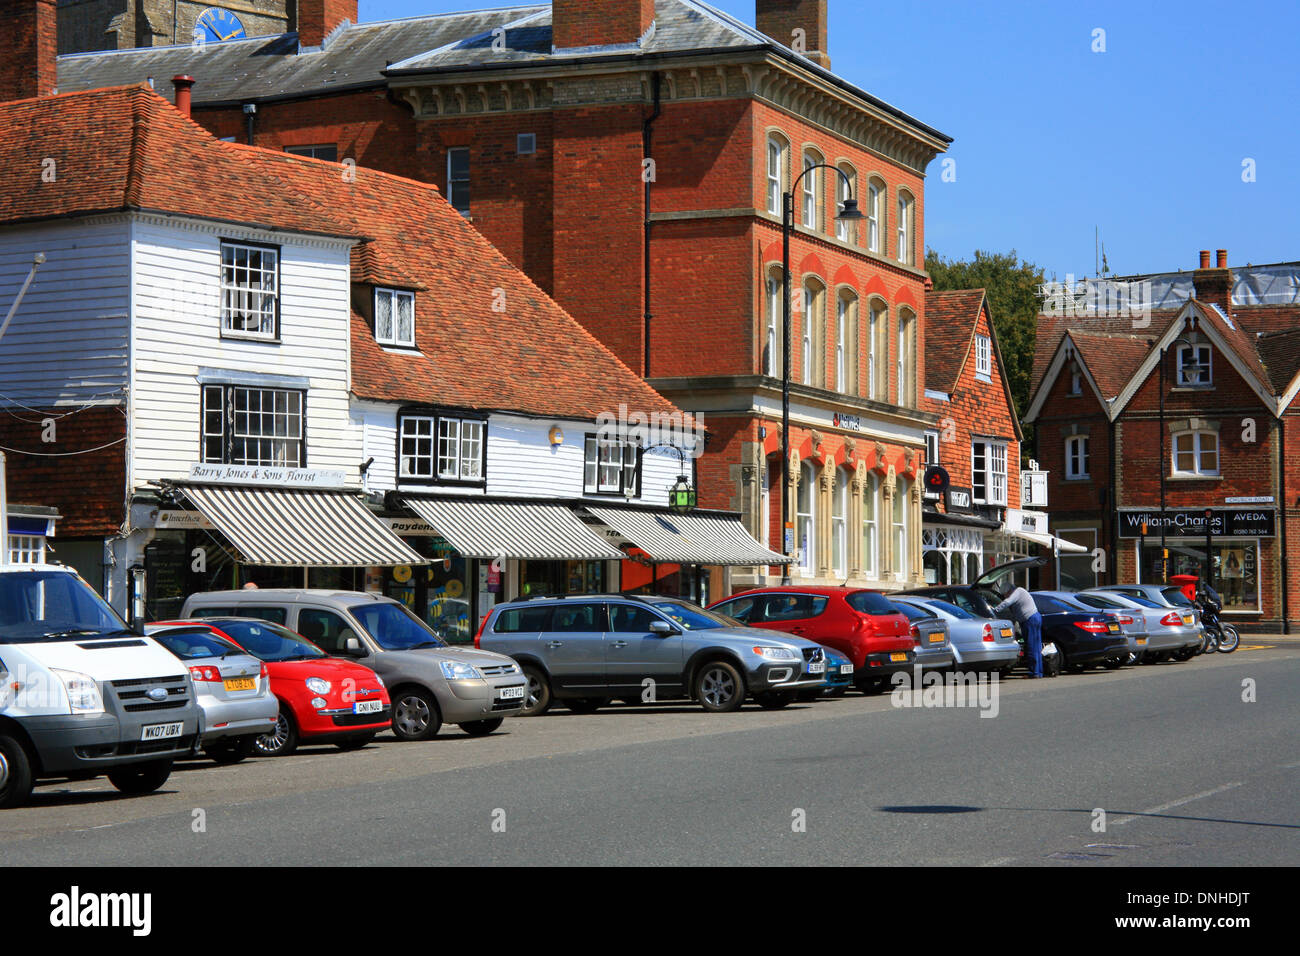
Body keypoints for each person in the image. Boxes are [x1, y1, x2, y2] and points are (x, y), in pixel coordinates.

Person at [992, 582, 1044, 678]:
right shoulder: (1020, 592)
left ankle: (1033, 673)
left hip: (1029, 620)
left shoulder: (1017, 591)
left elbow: (1007, 602)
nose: (1005, 596)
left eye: (1005, 594)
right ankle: (1039, 672)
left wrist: (995, 610)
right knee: (1036, 646)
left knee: (1031, 646)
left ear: (1009, 591)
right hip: (1034, 617)